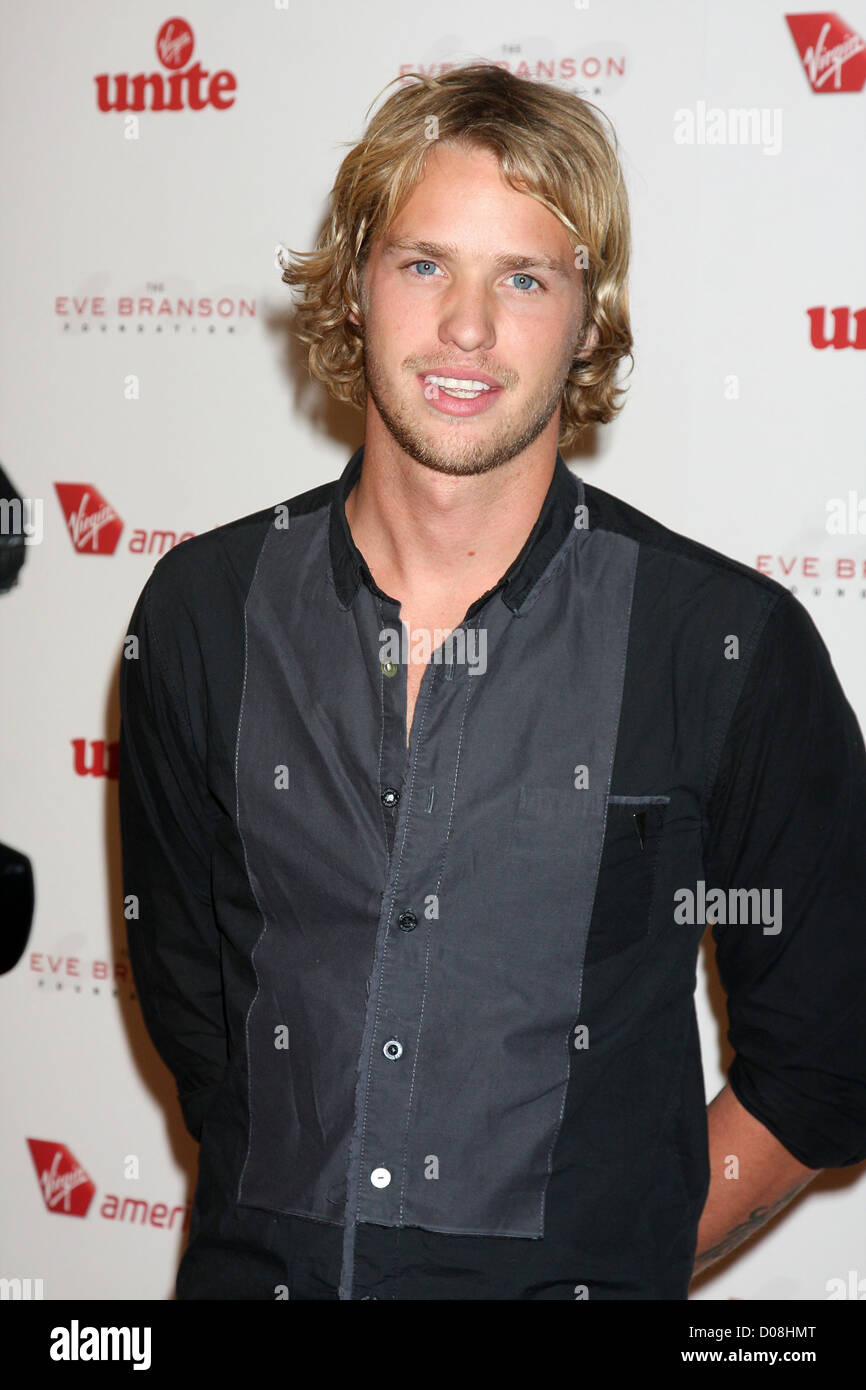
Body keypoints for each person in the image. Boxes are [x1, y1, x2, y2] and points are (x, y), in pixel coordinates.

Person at [118, 63, 866, 1301]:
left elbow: (828, 1060)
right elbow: (207, 1031)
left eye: (523, 277)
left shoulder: (723, 645)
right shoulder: (202, 614)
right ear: (356, 286)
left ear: (587, 314)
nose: (466, 328)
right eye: (424, 265)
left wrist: (606, 1259)